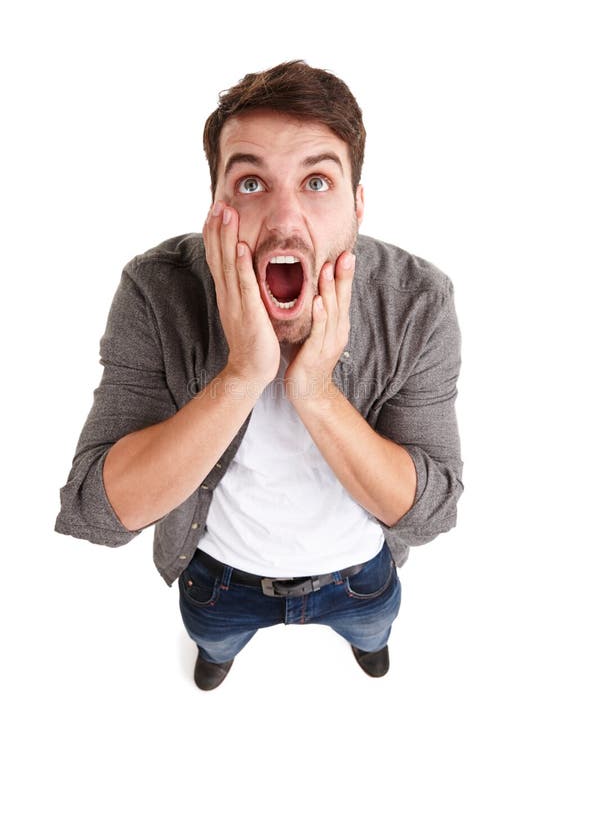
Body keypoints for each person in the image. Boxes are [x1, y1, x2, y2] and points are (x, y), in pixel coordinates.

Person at [55, 60, 464, 691]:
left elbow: (430, 514)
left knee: (375, 629)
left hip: (361, 577)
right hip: (219, 580)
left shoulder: (417, 300)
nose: (284, 218)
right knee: (212, 640)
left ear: (358, 203)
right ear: (216, 205)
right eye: (250, 184)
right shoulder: (155, 289)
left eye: (318, 181)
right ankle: (218, 653)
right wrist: (244, 374)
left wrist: (316, 394)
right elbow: (96, 511)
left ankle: (371, 647)